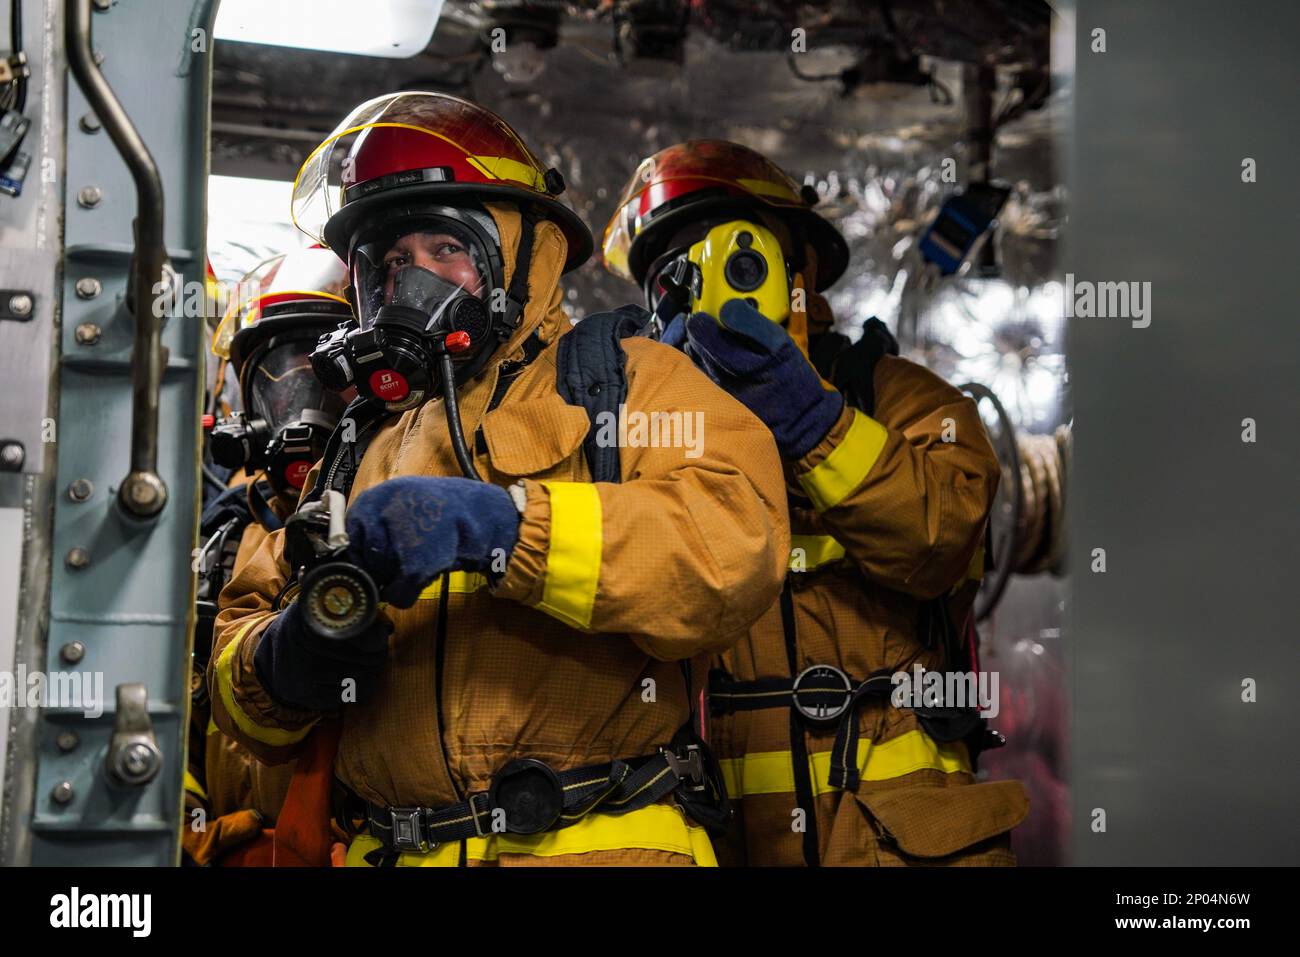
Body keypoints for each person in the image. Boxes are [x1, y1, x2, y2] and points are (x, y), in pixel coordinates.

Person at [208, 94, 789, 867]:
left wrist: (509, 531)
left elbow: (733, 548)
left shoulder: (625, 383)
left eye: (446, 247)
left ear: (519, 256)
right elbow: (242, 668)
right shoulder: (359, 444)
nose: (412, 282)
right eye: (388, 262)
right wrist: (281, 659)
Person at [603, 139, 1028, 866]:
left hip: (901, 837)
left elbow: (945, 537)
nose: (707, 285)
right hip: (725, 834)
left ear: (799, 267)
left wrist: (818, 424)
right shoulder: (642, 434)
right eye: (675, 274)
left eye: (738, 253)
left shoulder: (898, 396)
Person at [186, 247, 353, 866]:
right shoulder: (218, 543)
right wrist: (211, 843)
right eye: (277, 386)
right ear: (242, 403)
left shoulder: (404, 523)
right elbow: (163, 716)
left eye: (326, 383)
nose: (303, 413)